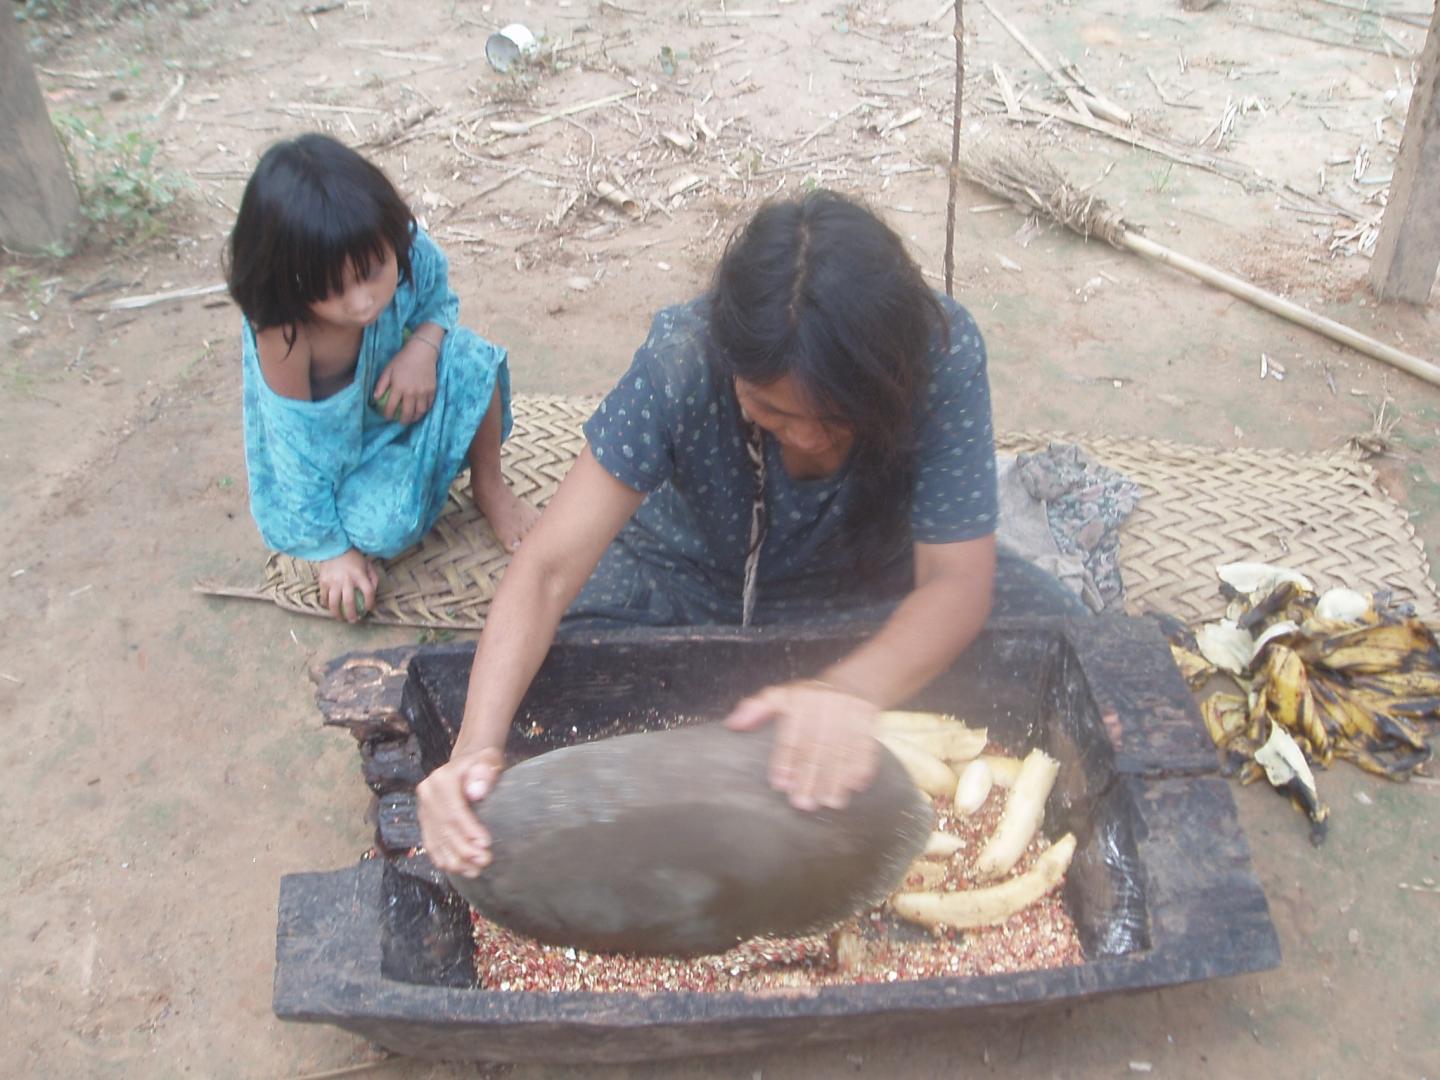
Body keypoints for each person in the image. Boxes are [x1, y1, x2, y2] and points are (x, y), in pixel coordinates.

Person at [418, 189, 1084, 878]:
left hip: (872, 587)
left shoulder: (939, 352)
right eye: (770, 407)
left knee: (1064, 634)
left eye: (835, 416)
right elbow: (548, 568)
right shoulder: (681, 360)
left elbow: (953, 581)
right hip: (689, 587)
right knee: (558, 674)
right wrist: (472, 748)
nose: (806, 437)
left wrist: (850, 691)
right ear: (730, 362)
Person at [226, 133, 538, 622]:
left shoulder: (405, 246)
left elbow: (440, 303)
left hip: (398, 405)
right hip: (338, 463)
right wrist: (331, 550)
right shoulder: (284, 332)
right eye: (332, 290)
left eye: (373, 272)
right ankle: (406, 485)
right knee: (384, 528)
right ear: (286, 284)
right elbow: (294, 446)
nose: (362, 301)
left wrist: (421, 348)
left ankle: (489, 483)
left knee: (473, 357)